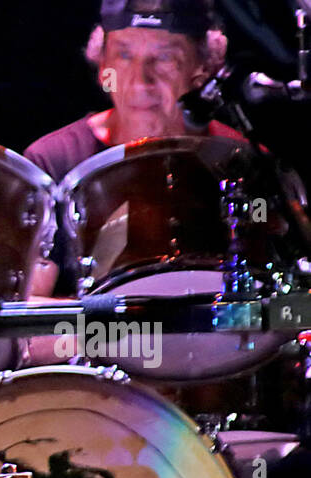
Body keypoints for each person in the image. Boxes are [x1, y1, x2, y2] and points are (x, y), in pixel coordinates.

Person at [26, 0, 239, 295]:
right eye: (124, 55)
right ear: (103, 68)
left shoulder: (240, 162)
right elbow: (26, 316)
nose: (141, 81)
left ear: (203, 68)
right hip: (94, 340)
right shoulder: (54, 161)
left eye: (164, 57)